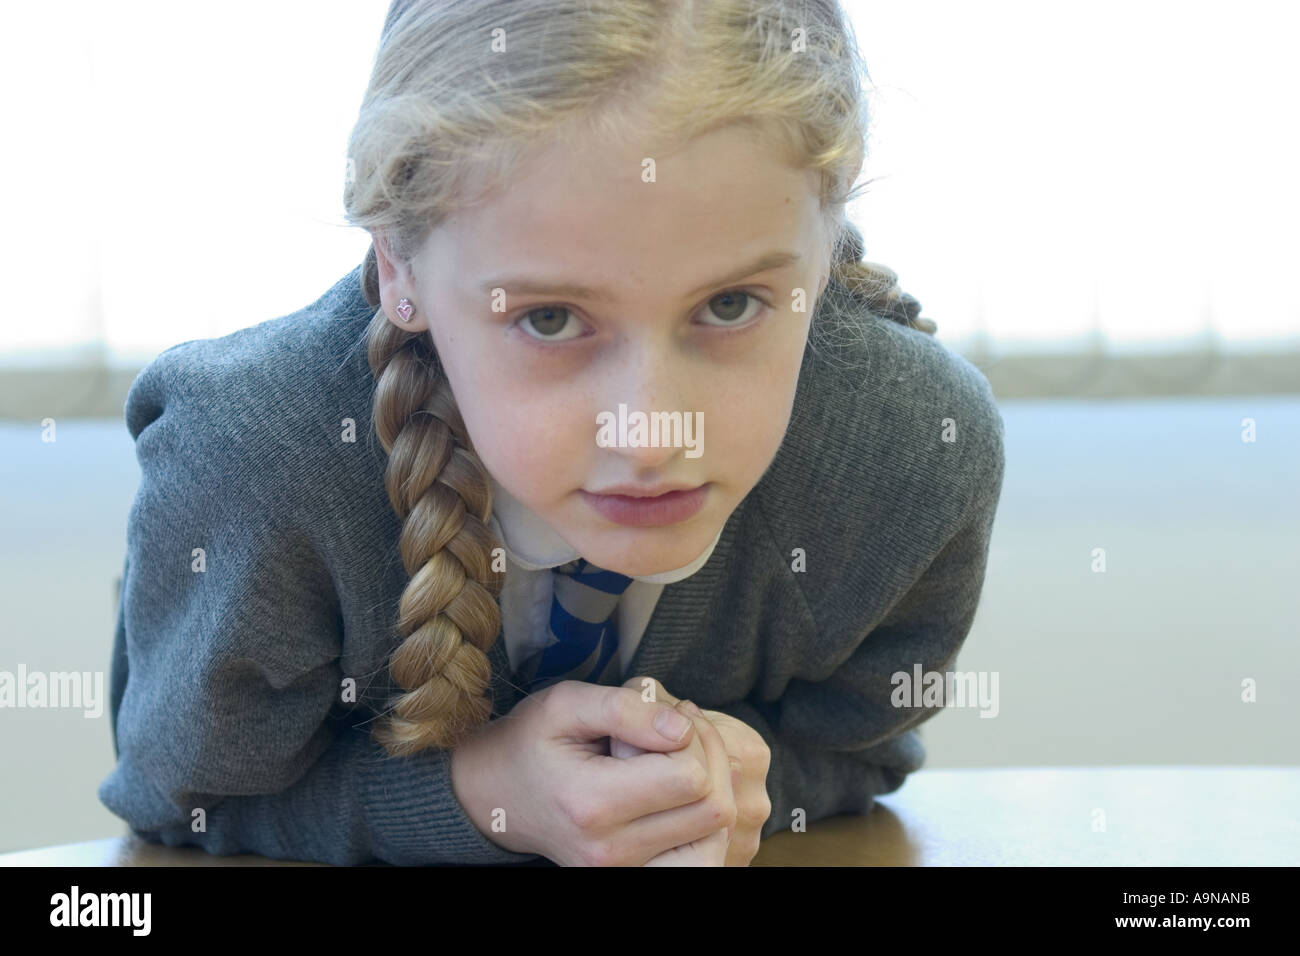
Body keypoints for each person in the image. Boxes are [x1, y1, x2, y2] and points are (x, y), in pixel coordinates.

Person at [98, 0, 1003, 866]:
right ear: (397, 264)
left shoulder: (916, 449)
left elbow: (863, 751)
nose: (652, 434)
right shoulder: (257, 457)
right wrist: (479, 796)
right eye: (551, 320)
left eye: (730, 305)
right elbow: (186, 798)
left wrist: (723, 786)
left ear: (828, 233)